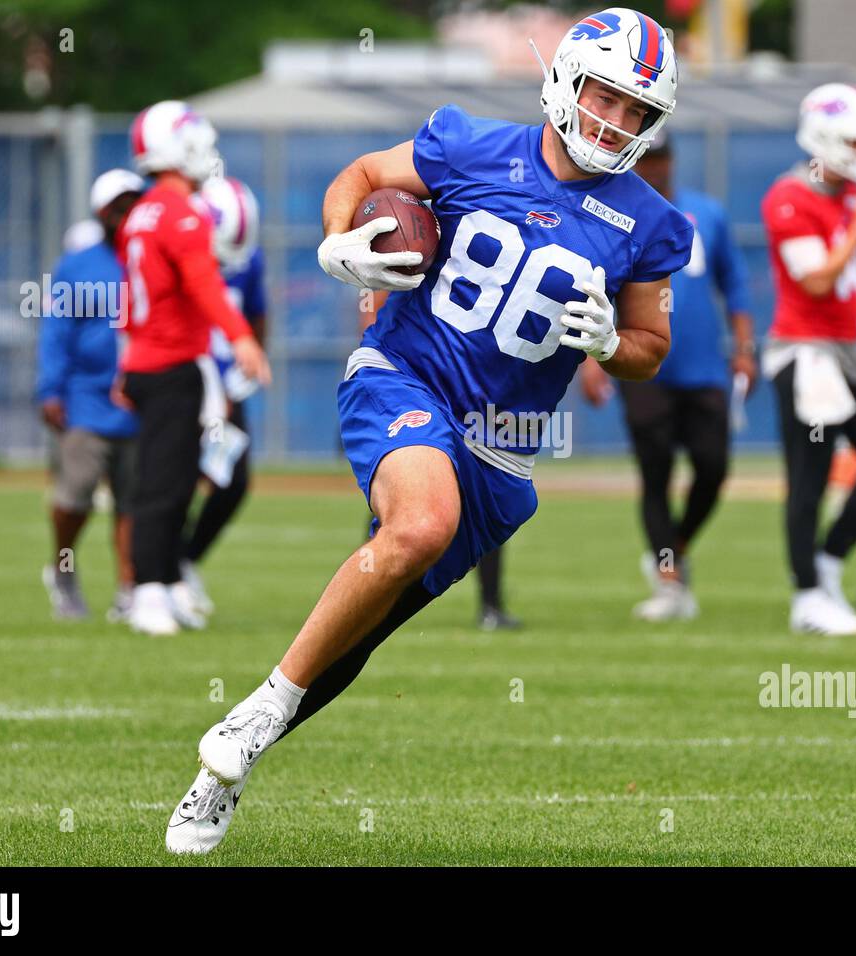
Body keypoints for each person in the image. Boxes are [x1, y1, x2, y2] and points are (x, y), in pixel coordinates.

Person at [165, 8, 694, 854]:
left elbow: (650, 348)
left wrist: (608, 343)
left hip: (501, 449)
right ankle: (252, 722)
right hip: (404, 379)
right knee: (420, 523)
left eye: (638, 111)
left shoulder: (653, 224)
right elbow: (364, 171)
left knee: (362, 628)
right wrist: (342, 244)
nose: (616, 122)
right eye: (607, 95)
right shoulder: (470, 143)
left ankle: (243, 739)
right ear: (565, 79)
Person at [581, 133, 756, 621]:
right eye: (646, 157)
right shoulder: (614, 214)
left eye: (660, 157)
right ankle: (668, 581)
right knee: (655, 474)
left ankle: (674, 549)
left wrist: (744, 350)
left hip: (703, 369)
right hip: (642, 369)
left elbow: (736, 288)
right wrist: (591, 360)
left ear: (673, 160)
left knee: (713, 466)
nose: (654, 167)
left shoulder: (707, 213)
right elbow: (591, 288)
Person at [760, 82, 856, 636]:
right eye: (854, 141)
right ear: (823, 138)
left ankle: (827, 562)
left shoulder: (850, 195)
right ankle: (807, 596)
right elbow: (817, 278)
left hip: (854, 350)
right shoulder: (790, 196)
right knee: (811, 477)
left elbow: (852, 285)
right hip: (806, 351)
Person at [114, 101, 271, 637]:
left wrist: (125, 364)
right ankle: (148, 590)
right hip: (173, 364)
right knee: (164, 483)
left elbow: (133, 299)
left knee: (176, 479)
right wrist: (241, 336)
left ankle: (160, 583)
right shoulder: (180, 214)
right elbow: (203, 285)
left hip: (149, 360)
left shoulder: (142, 211)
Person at [360, 288, 522, 631]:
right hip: (419, 382)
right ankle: (369, 592)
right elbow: (374, 296)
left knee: (484, 492)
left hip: (477, 388)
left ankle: (490, 606)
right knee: (401, 493)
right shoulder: (425, 239)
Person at [35, 169, 146, 621]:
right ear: (102, 213)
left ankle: (128, 588)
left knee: (133, 500)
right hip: (87, 397)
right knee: (76, 493)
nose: (126, 214)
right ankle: (62, 569)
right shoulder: (78, 266)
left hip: (140, 399)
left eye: (133, 204)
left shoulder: (149, 257)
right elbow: (56, 332)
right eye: (118, 206)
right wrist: (50, 388)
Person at [177, 175, 268, 615]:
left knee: (231, 482)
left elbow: (255, 314)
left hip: (227, 385)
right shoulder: (176, 247)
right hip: (181, 378)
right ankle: (153, 578)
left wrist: (245, 369)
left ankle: (184, 560)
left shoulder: (248, 260)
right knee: (171, 480)